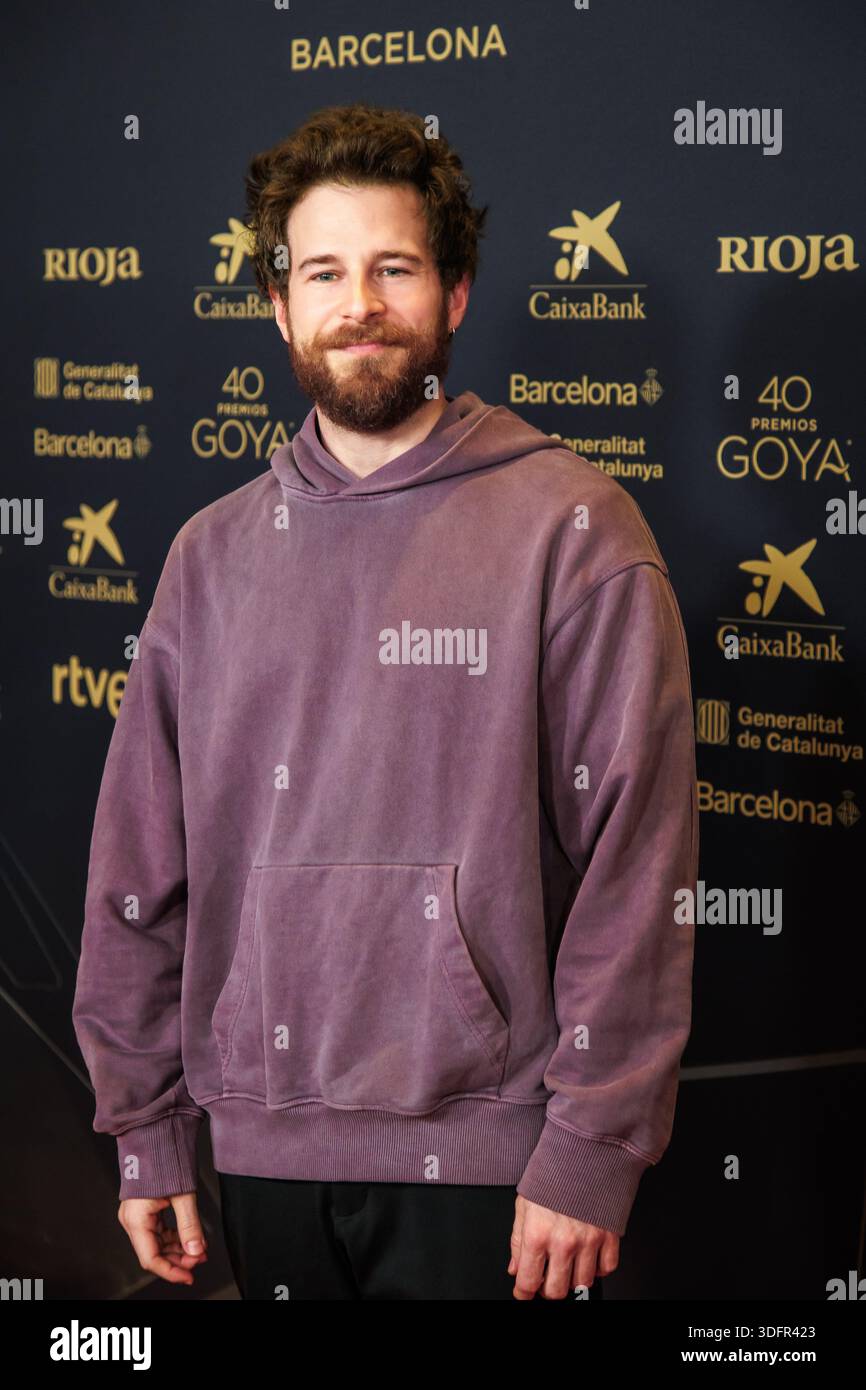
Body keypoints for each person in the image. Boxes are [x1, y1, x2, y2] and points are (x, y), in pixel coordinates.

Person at [72, 102, 698, 1301]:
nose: (357, 303)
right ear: (278, 303)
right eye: (323, 271)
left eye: (393, 267)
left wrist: (588, 1148)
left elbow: (639, 865)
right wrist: (144, 1129)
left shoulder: (571, 532)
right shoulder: (209, 557)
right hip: (255, 1155)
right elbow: (137, 868)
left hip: (497, 1173)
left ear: (453, 293)